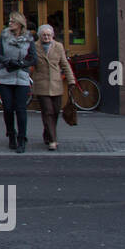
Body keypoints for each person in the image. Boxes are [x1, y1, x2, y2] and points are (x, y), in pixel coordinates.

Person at [30, 23, 76, 152]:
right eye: (44, 35)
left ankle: (47, 133)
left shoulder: (58, 47)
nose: (46, 37)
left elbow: (65, 65)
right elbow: (30, 63)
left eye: (49, 35)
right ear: (39, 36)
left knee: (55, 111)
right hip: (41, 84)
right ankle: (53, 140)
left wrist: (71, 80)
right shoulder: (34, 47)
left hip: (56, 84)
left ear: (53, 35)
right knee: (48, 111)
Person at [0, 11, 37, 152]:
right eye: (9, 20)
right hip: (5, 76)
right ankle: (11, 134)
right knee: (7, 108)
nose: (9, 23)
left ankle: (22, 138)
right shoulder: (4, 36)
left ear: (20, 23)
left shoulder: (28, 38)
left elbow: (33, 58)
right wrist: (8, 61)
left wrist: (21, 63)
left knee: (20, 109)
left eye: (12, 21)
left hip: (21, 77)